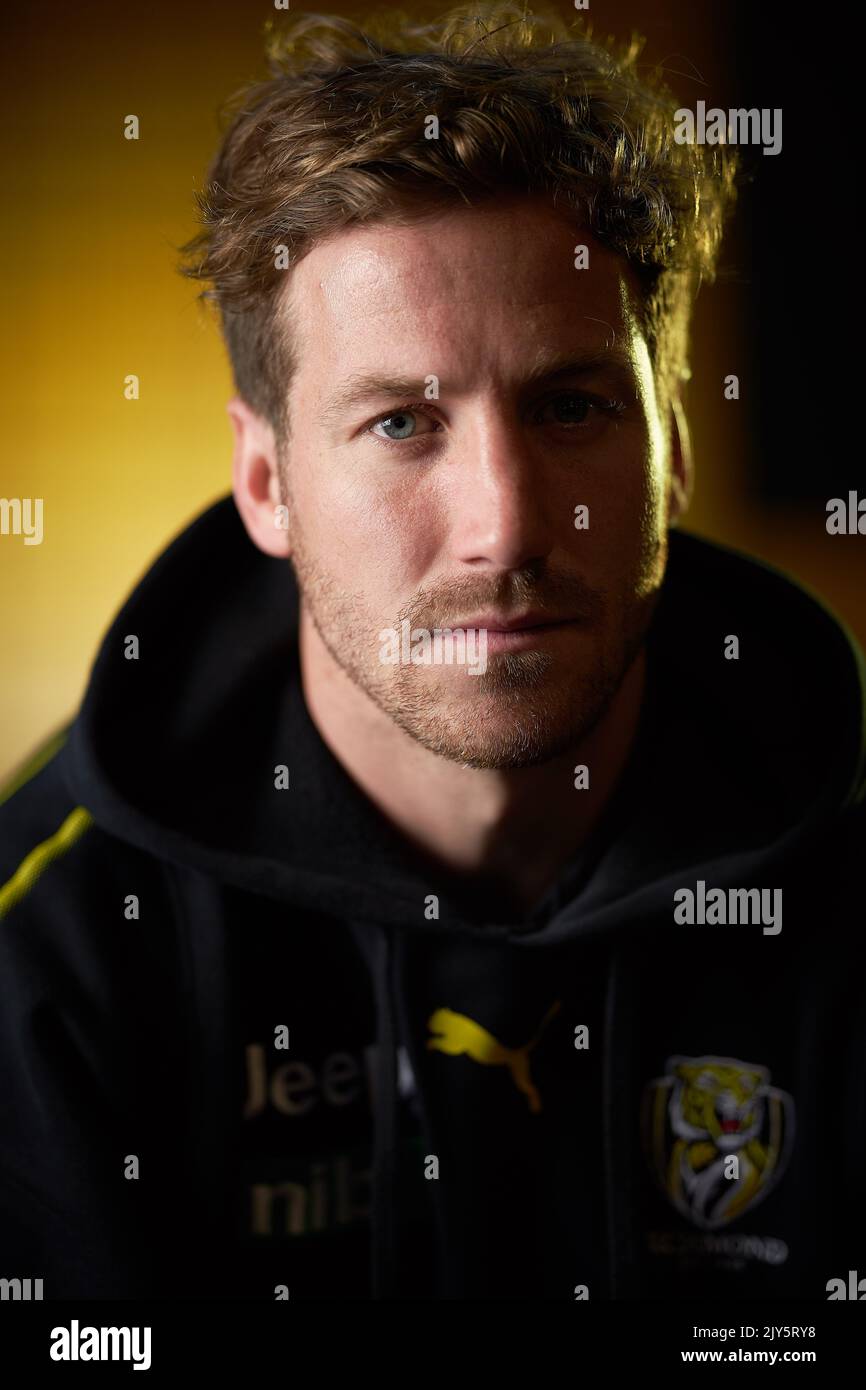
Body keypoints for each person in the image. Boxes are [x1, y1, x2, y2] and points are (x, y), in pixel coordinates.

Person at [1, 5, 863, 1302]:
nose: (503, 523)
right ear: (264, 481)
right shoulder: (52, 949)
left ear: (671, 449)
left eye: (570, 406)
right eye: (402, 422)